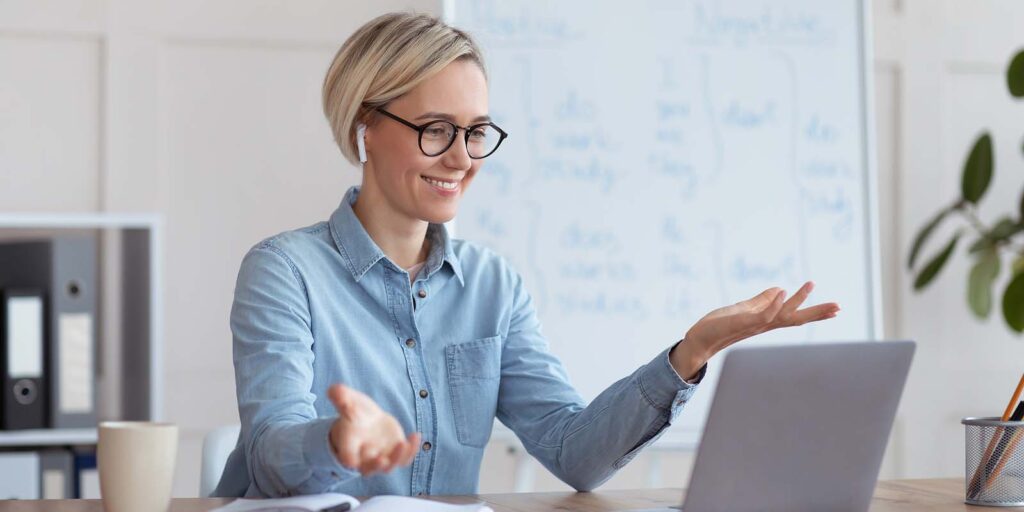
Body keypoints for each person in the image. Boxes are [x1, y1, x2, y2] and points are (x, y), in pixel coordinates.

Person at [212, 12, 840, 498]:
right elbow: (271, 454)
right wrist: (338, 442)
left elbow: (574, 452)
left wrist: (691, 352)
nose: (461, 158)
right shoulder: (285, 271)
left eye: (477, 132)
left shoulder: (493, 286)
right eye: (435, 129)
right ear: (364, 129)